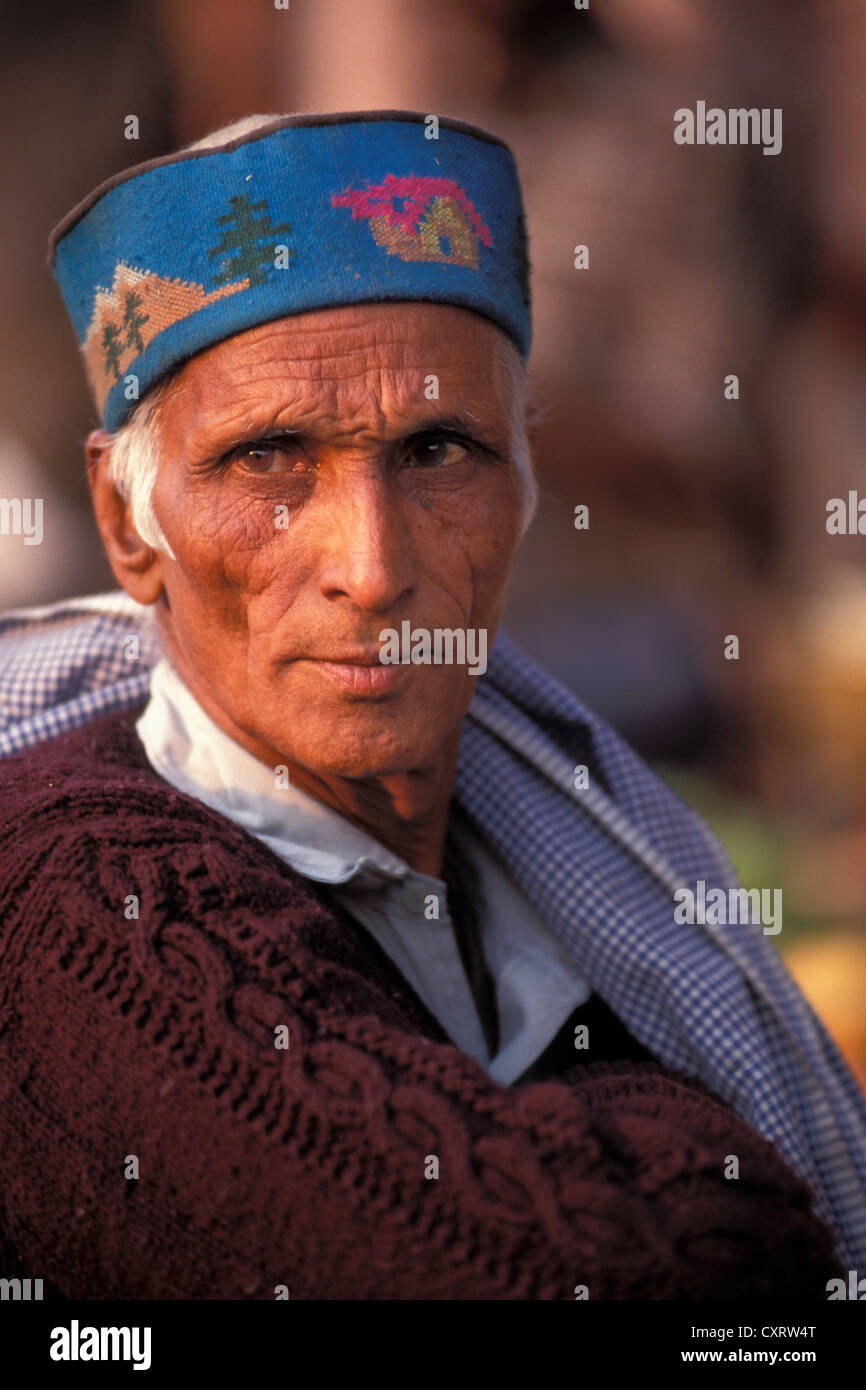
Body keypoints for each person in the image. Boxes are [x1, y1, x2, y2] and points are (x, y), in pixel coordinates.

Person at [0, 111, 862, 1300]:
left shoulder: (530, 850)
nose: (372, 563)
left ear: (524, 485)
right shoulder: (74, 897)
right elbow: (618, 1274)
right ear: (125, 525)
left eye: (438, 449)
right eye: (267, 459)